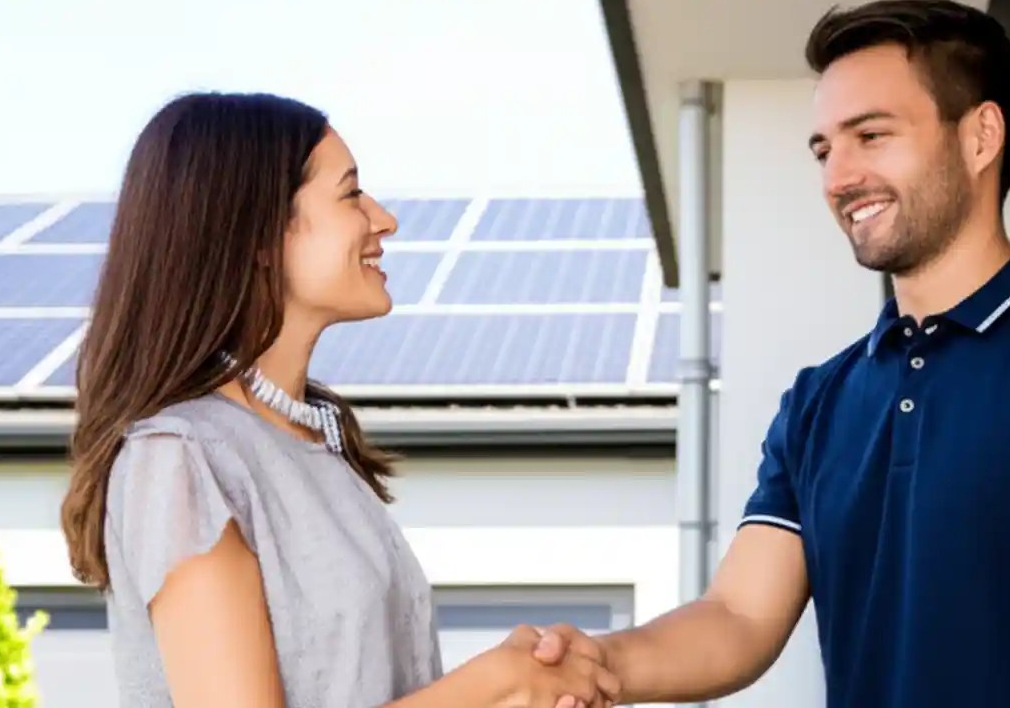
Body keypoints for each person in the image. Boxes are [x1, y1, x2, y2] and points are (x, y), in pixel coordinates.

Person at [529, 0, 1010, 708]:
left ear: (981, 136)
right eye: (825, 149)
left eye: (872, 135)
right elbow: (736, 619)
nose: (838, 178)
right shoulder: (819, 402)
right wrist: (598, 661)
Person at [58, 91, 619, 708]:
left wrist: (514, 687)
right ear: (259, 234)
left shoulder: (316, 449)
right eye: (351, 194)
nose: (383, 219)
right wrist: (493, 685)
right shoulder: (182, 459)